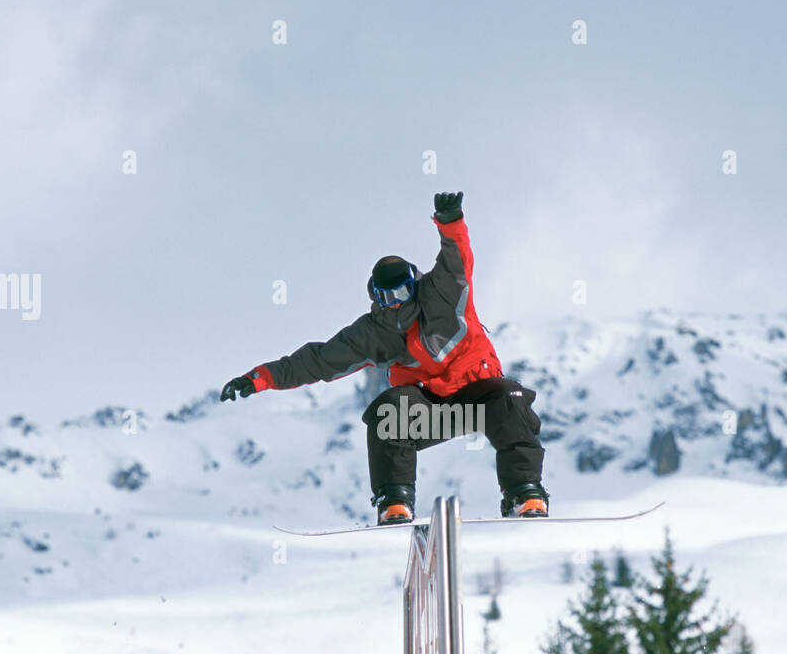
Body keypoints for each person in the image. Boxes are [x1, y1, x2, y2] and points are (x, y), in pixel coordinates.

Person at [220, 191, 548, 525]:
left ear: (414, 283)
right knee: (388, 408)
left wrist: (450, 222)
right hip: (430, 411)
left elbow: (457, 257)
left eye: (403, 292)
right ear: (375, 298)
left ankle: (524, 492)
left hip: (480, 398)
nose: (396, 302)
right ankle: (395, 501)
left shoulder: (442, 292)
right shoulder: (374, 331)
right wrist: (258, 378)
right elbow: (317, 361)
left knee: (510, 396)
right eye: (386, 297)